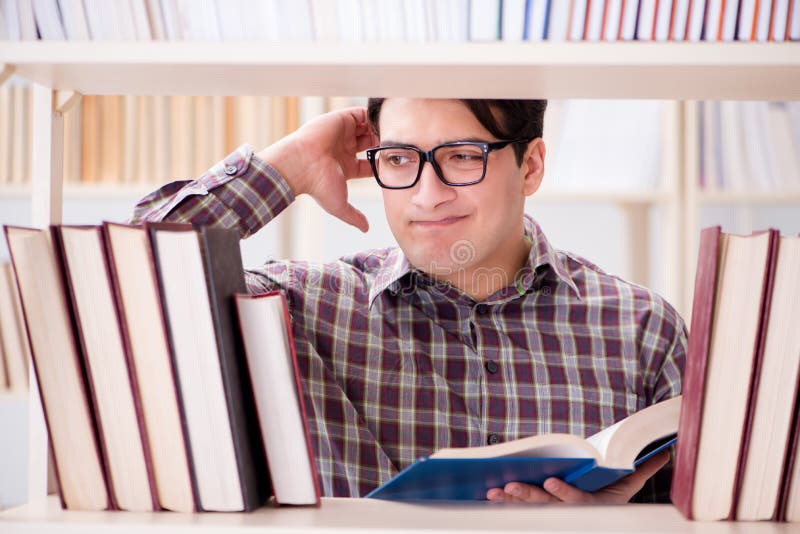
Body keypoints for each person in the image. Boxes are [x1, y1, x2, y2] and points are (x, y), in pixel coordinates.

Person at [131, 98, 686, 503]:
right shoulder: (302, 307)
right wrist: (290, 164)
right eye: (398, 159)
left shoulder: (643, 331)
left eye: (463, 156)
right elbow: (127, 274)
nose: (428, 194)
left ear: (531, 165)